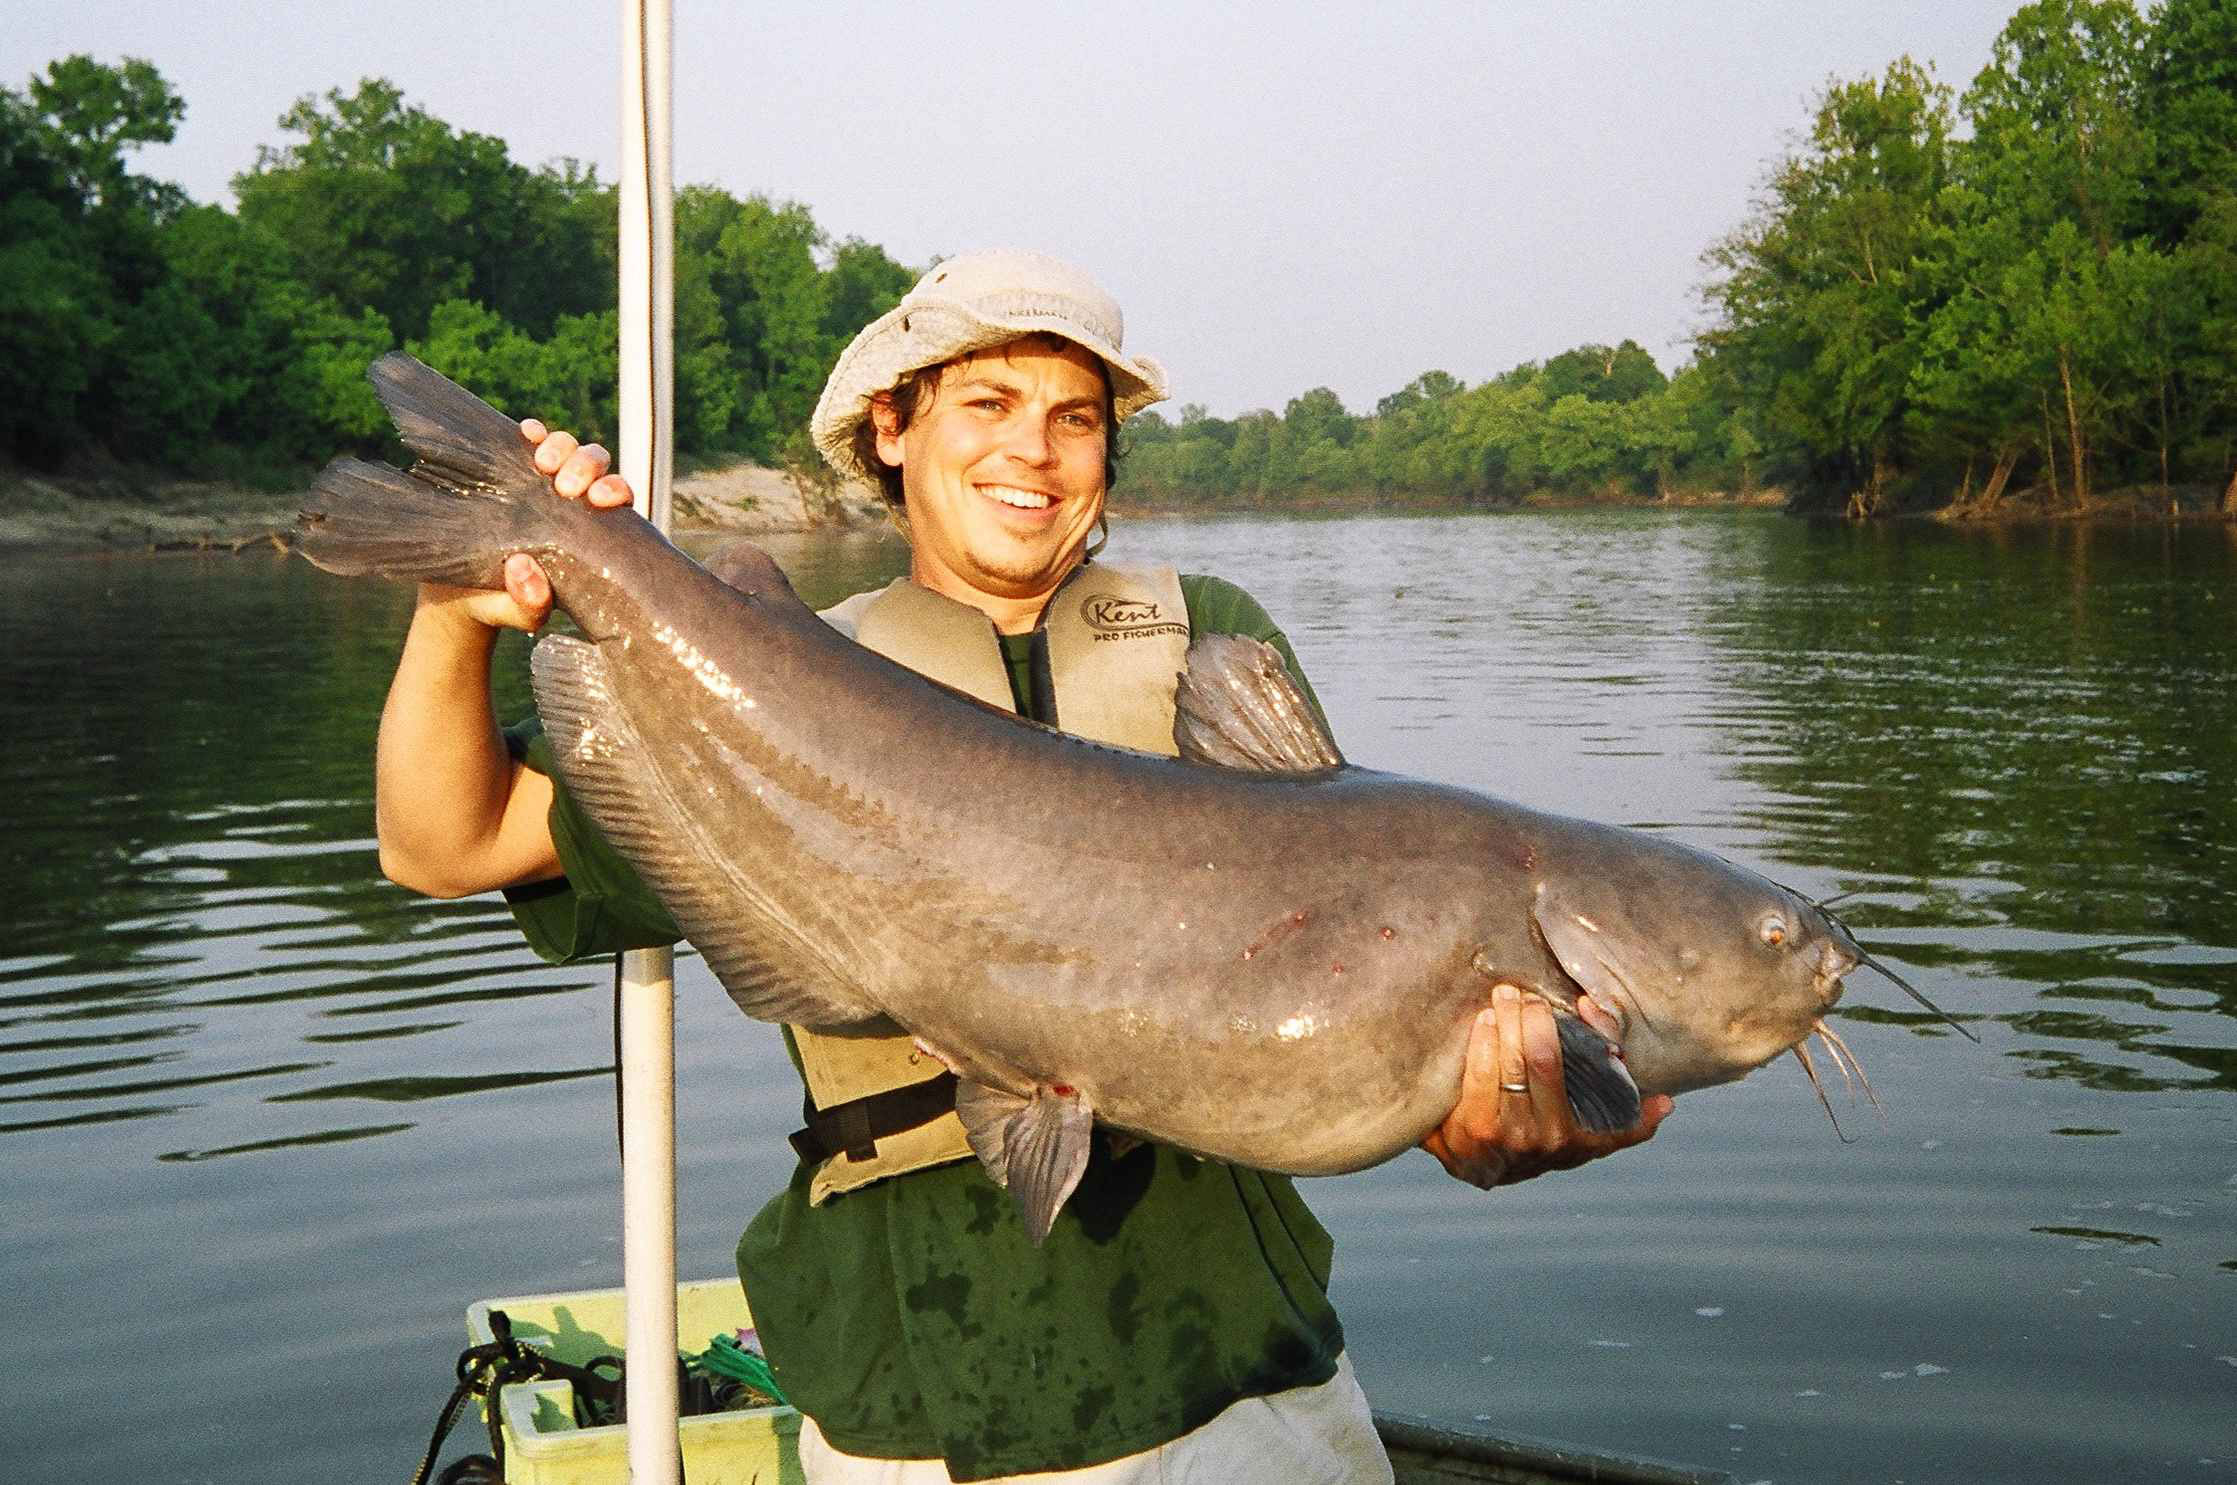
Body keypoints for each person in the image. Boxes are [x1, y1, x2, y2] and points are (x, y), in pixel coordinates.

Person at [372, 250, 1672, 1483]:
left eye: (1075, 417)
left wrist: (1479, 1109)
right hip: (911, 1394)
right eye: (987, 403)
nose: (1033, 451)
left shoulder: (1207, 646)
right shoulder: (761, 678)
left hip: (1239, 1376)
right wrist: (456, 609)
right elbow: (443, 844)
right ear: (892, 428)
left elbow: (1360, 992)